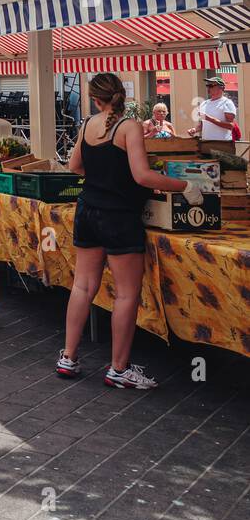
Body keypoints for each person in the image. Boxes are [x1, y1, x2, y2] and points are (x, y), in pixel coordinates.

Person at [59, 73, 194, 390]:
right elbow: (143, 176)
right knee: (126, 293)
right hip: (119, 217)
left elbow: (74, 167)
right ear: (121, 96)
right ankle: (119, 369)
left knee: (82, 286)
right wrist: (186, 186)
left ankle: (68, 357)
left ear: (95, 99)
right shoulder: (129, 127)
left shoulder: (87, 125)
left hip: (87, 210)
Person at [188, 76, 237, 141]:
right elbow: (203, 124)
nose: (208, 87)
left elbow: (230, 126)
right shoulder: (204, 104)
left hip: (222, 144)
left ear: (221, 87)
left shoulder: (227, 103)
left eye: (211, 85)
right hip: (206, 143)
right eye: (207, 85)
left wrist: (210, 119)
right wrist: (195, 130)